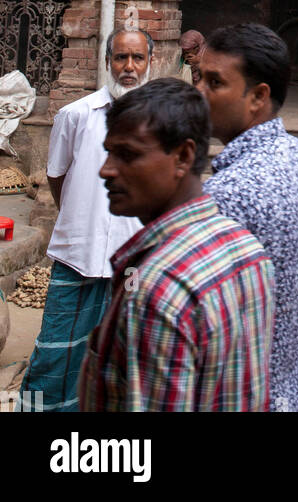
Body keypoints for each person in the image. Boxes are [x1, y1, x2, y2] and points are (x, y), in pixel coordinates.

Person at [79, 78, 274, 412]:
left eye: (127, 154)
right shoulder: (246, 249)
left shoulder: (156, 290)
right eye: (109, 152)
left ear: (183, 156)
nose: (106, 170)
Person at [198, 23, 298, 413]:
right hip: (287, 394)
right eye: (199, 78)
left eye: (215, 82)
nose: (199, 93)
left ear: (258, 96)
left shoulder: (225, 194)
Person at [18, 26, 151, 412]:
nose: (129, 66)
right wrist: (81, 219)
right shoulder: (75, 115)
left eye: (137, 58)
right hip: (78, 254)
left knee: (128, 353)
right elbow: (58, 176)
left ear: (149, 62)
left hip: (133, 261)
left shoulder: (160, 121)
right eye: (121, 57)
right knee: (56, 351)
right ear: (108, 62)